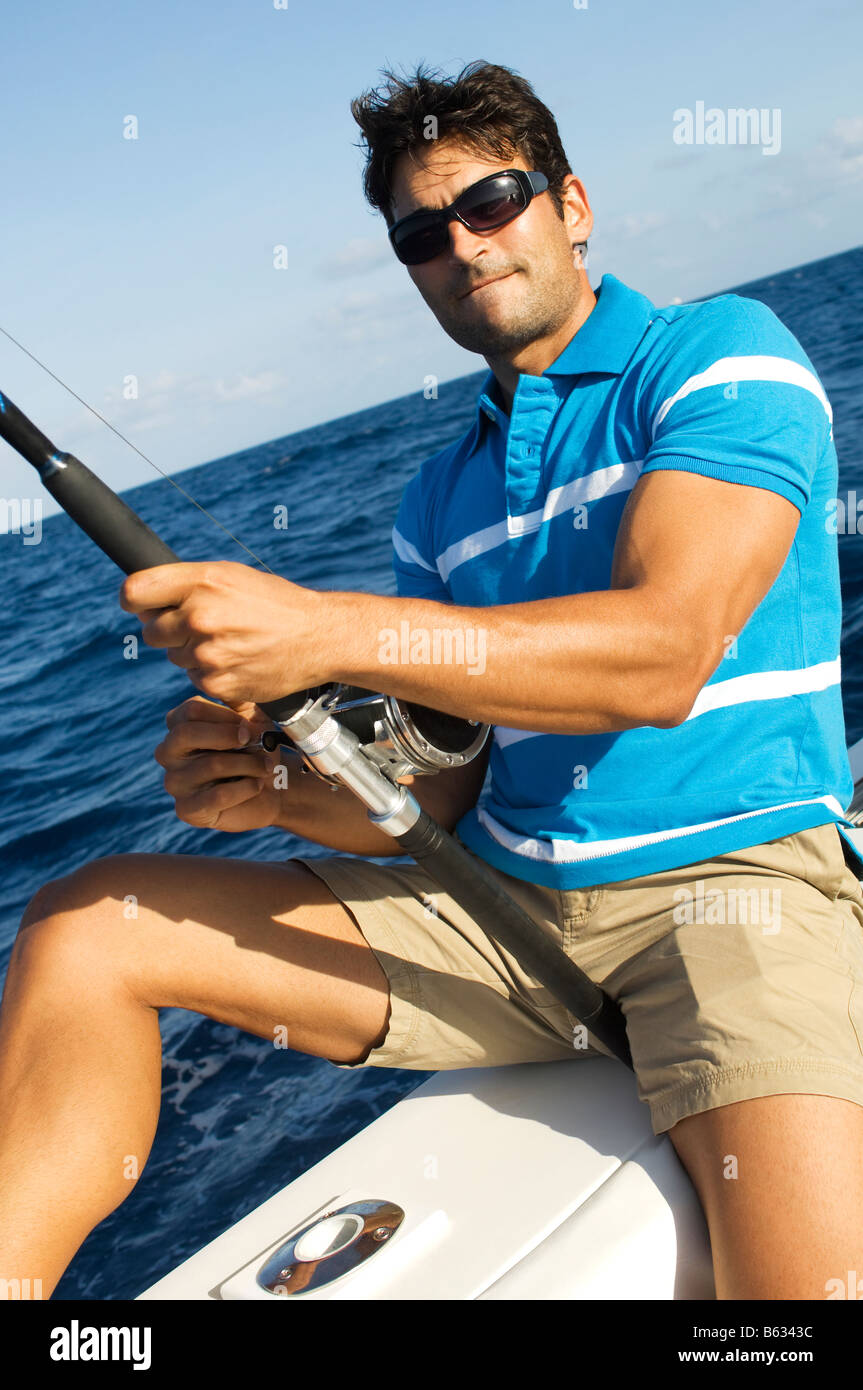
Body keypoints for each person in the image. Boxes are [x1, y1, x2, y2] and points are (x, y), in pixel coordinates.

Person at [2, 59, 862, 1303]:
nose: (460, 244)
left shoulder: (719, 355)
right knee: (85, 926)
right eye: (419, 232)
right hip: (506, 903)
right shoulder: (437, 495)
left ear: (569, 203)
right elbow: (443, 797)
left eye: (491, 201)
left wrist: (332, 631)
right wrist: (277, 794)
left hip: (729, 890)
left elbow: (662, 653)